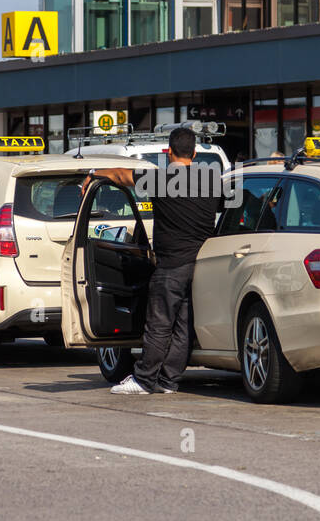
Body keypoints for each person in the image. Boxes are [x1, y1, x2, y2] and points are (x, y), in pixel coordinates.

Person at [83, 127, 223, 395]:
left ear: (168, 152)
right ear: (194, 153)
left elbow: (121, 175)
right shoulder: (211, 182)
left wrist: (93, 175)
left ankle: (145, 380)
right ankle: (168, 381)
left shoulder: (161, 180)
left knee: (159, 324)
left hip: (170, 265)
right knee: (184, 326)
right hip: (201, 264)